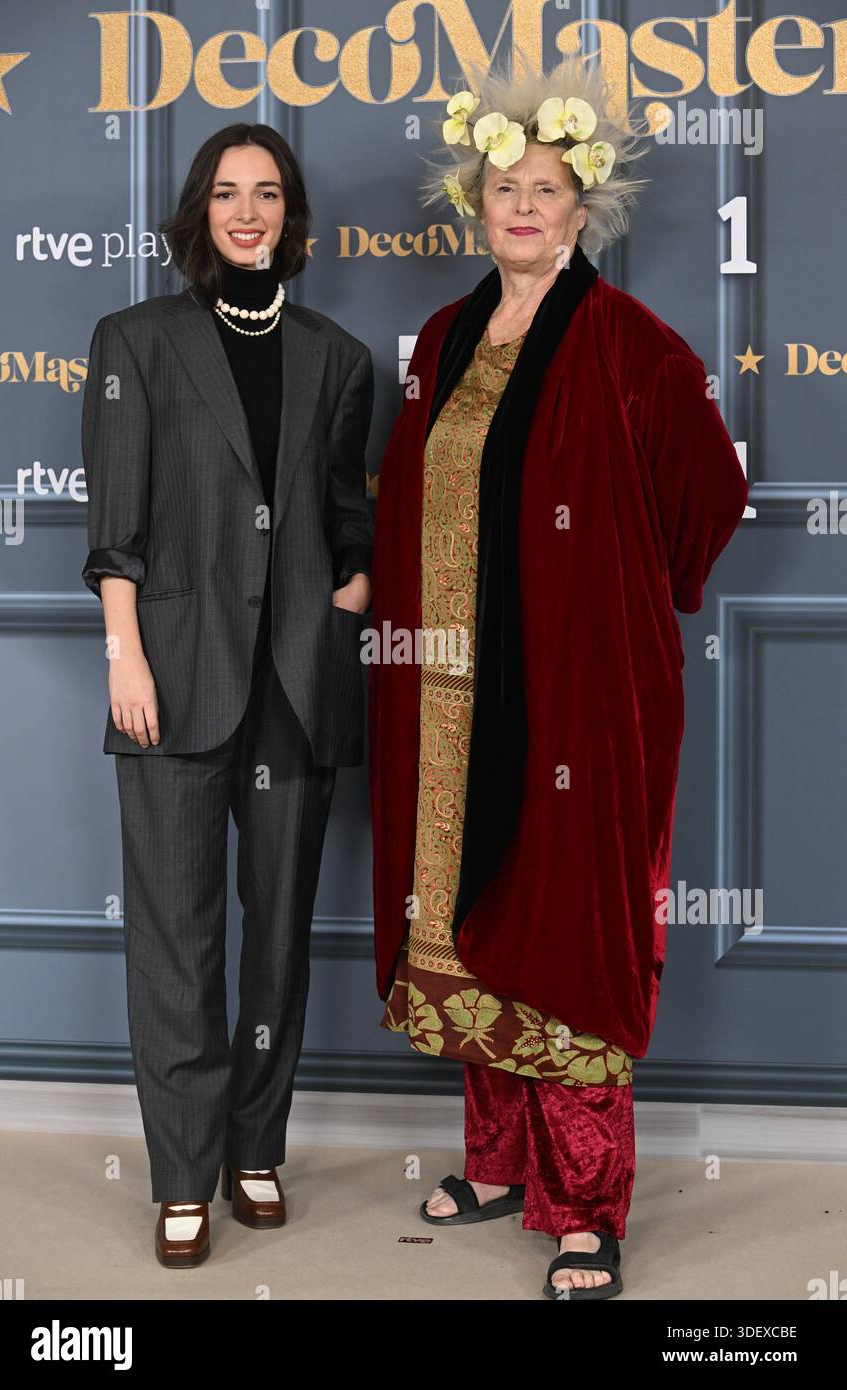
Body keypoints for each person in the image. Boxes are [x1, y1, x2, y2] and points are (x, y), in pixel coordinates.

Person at [368, 56, 748, 1299]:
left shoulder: (632, 343)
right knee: (465, 918)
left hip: (577, 699)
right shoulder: (440, 337)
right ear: (474, 205)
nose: (521, 208)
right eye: (501, 190)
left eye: (544, 190)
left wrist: (618, 613)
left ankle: (583, 1201)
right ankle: (496, 1159)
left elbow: (707, 497)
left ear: (582, 210)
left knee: (567, 929)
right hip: (444, 693)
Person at [81, 123, 373, 1268]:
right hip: (171, 678)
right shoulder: (134, 342)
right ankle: (179, 1170)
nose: (247, 212)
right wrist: (126, 656)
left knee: (278, 939)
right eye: (227, 193)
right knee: (174, 937)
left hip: (296, 688)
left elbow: (350, 522)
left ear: (292, 216)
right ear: (199, 210)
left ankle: (256, 1145)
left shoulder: (338, 356)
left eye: (268, 193)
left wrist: (340, 611)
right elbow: (116, 529)